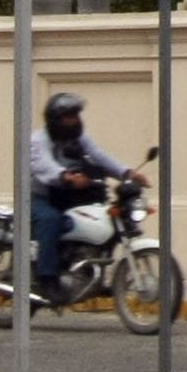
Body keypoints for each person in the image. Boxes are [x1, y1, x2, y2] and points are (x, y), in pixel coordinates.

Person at [28, 89, 132, 306]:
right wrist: (66, 176)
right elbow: (43, 165)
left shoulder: (77, 138)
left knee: (104, 220)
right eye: (68, 117)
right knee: (51, 220)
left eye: (75, 116)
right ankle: (47, 280)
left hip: (70, 198)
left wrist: (127, 173)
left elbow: (98, 155)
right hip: (41, 198)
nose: (74, 121)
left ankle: (91, 273)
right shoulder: (39, 140)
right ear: (55, 119)